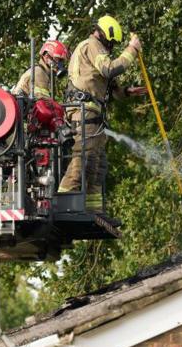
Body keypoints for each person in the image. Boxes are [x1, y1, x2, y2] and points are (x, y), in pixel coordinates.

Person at [59, 15, 146, 212]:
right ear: (104, 34)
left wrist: (126, 92)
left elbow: (110, 86)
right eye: (111, 42)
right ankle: (61, 206)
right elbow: (109, 69)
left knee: (96, 169)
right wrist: (132, 49)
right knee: (81, 163)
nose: (111, 47)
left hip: (94, 117)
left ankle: (94, 212)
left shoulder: (95, 51)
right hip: (84, 115)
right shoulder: (91, 44)